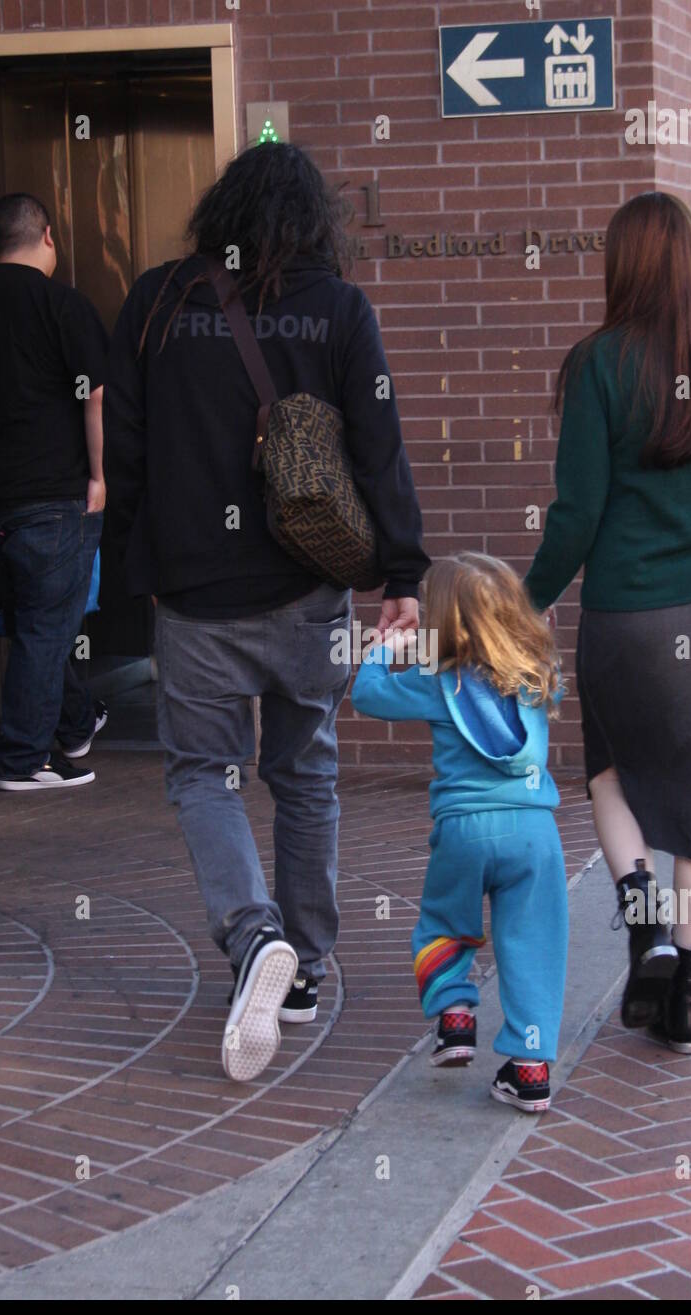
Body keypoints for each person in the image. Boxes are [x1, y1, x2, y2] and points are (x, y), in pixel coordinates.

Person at [104, 143, 429, 1083]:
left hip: (196, 593)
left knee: (204, 774)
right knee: (305, 775)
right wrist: (402, 571)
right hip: (307, 590)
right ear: (313, 220)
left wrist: (139, 560)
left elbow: (123, 444)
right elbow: (379, 446)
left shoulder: (160, 301)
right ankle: (306, 967)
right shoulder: (338, 310)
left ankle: (253, 939)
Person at [525, 191, 691, 1055]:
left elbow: (575, 512)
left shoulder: (597, 364)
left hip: (623, 615)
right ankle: (687, 995)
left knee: (613, 780)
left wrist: (525, 601)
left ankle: (643, 927)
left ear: (624, 266)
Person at [351, 554, 568, 1113]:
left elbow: (367, 695)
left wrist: (384, 652)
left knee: (444, 925)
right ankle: (531, 1069)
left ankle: (455, 1018)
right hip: (534, 833)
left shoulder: (433, 680)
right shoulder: (536, 673)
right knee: (534, 942)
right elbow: (554, 684)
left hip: (463, 833)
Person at [0, 193, 109, 791]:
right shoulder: (65, 306)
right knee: (45, 627)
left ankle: (79, 720)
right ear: (49, 237)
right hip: (51, 498)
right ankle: (23, 760)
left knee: (33, 625)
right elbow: (94, 396)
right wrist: (99, 477)